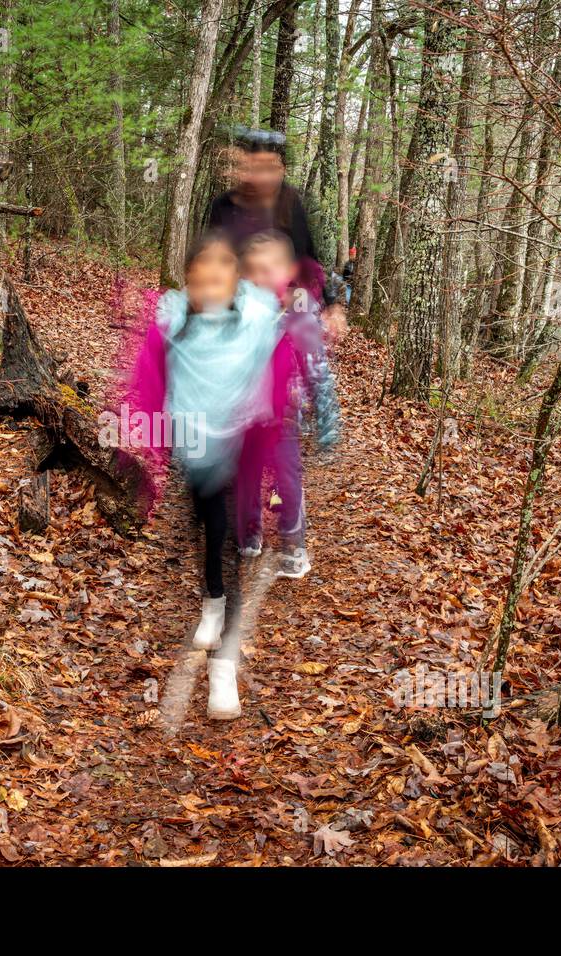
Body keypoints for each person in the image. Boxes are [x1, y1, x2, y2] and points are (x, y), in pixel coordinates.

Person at [124, 230, 284, 720]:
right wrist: (139, 450)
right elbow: (147, 383)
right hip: (195, 448)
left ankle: (223, 672)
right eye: (201, 274)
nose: (211, 281)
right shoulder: (172, 326)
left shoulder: (255, 324)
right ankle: (211, 601)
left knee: (232, 544)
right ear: (189, 281)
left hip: (240, 443)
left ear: (235, 280)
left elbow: (279, 380)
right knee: (207, 535)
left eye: (221, 272)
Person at [236, 230, 342, 577]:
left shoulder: (300, 307)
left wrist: (326, 421)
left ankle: (294, 547)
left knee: (287, 475)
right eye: (256, 268)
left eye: (272, 268)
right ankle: (250, 532)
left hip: (285, 412)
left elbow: (316, 364)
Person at [205, 127, 348, 343]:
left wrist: (331, 304)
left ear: (280, 169)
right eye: (256, 167)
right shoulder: (224, 206)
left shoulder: (291, 204)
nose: (263, 176)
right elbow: (213, 260)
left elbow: (308, 257)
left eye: (270, 168)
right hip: (237, 308)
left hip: (286, 308)